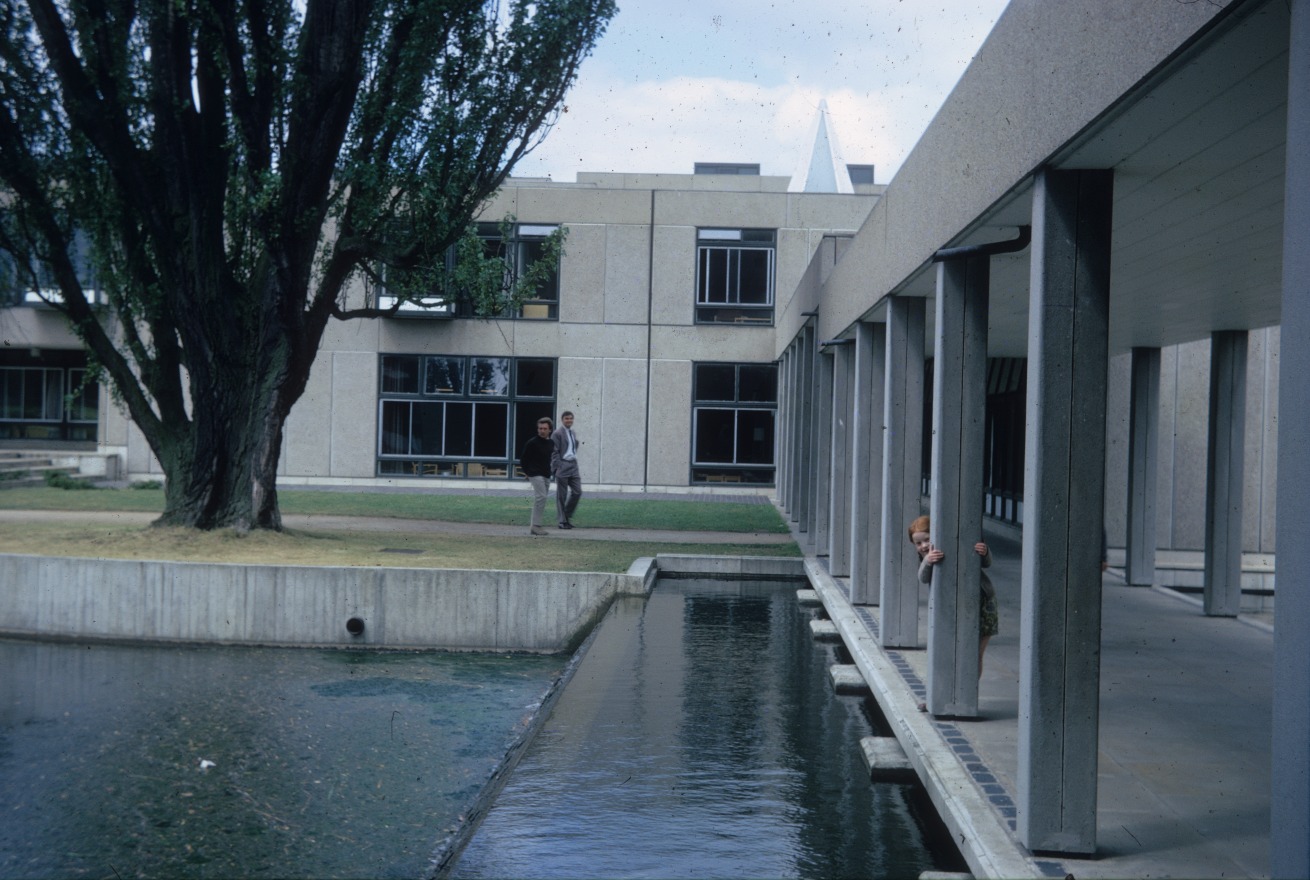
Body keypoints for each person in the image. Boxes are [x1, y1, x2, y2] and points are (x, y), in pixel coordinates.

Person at [908, 515, 998, 678]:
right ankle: (938, 695)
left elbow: (987, 563)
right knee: (946, 652)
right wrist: (927, 561)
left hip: (983, 602)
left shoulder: (952, 544)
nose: (924, 546)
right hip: (951, 605)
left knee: (975, 654)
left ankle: (969, 693)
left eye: (927, 540)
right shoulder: (926, 557)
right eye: (918, 543)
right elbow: (922, 577)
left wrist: (984, 552)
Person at [519, 417, 554, 536]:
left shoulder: (551, 443)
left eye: (545, 428)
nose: (542, 431)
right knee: (541, 497)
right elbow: (523, 459)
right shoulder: (532, 442)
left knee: (541, 499)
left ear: (550, 430)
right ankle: (536, 526)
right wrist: (527, 472)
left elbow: (549, 459)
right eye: (540, 428)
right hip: (535, 473)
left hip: (546, 474)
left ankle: (534, 525)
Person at [551, 410, 582, 529]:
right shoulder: (557, 433)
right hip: (563, 466)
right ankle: (562, 521)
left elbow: (574, 446)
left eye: (571, 418)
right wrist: (558, 466)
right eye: (567, 418)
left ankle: (566, 516)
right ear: (562, 420)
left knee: (577, 492)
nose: (569, 420)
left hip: (573, 465)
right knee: (561, 496)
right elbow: (554, 452)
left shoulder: (572, 432)